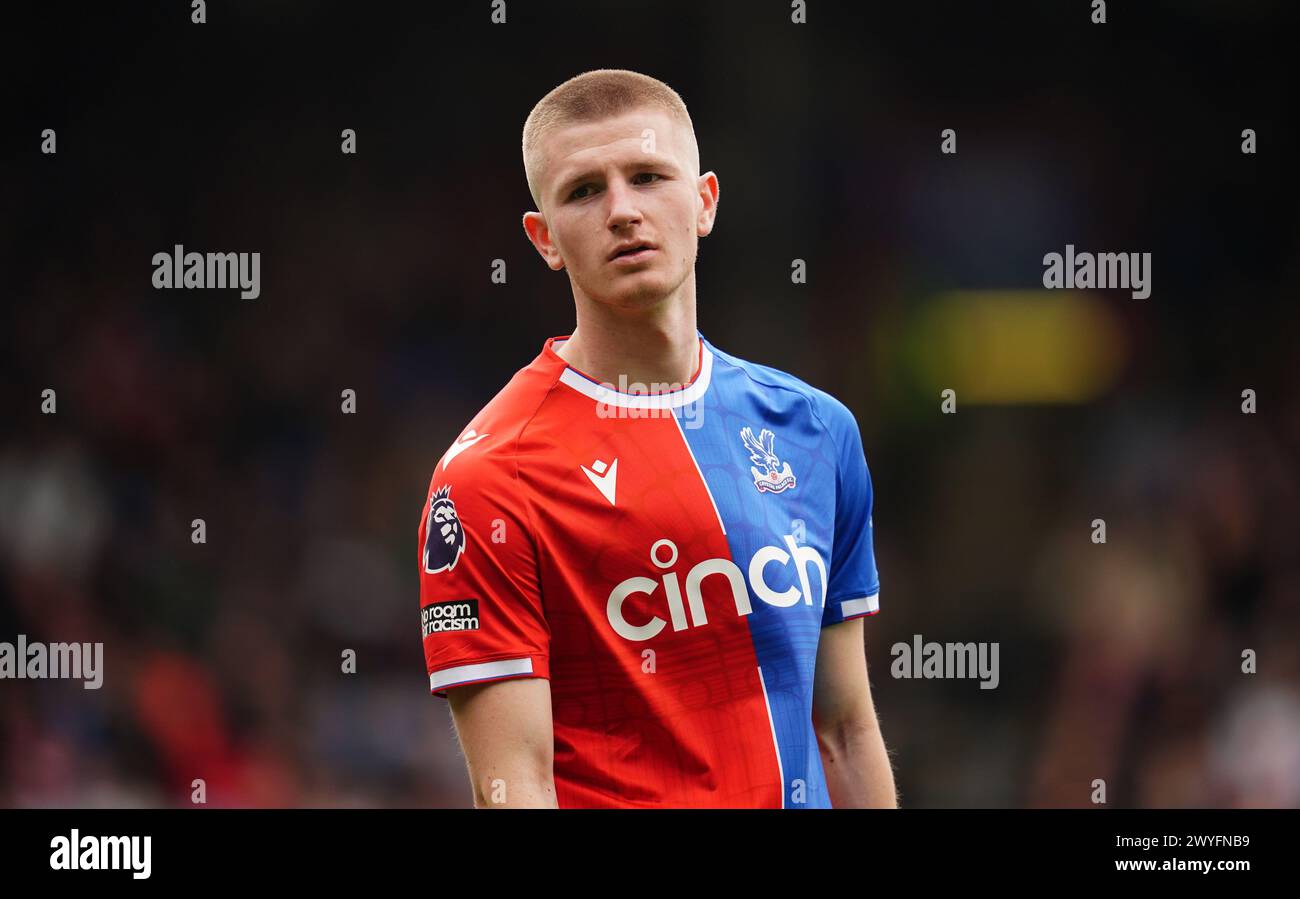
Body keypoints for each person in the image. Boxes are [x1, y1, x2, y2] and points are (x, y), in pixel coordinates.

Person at [417, 68, 896, 808]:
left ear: (703, 202)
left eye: (647, 176)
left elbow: (842, 728)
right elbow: (514, 786)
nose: (622, 211)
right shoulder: (489, 479)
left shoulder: (817, 430)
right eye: (583, 190)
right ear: (544, 238)